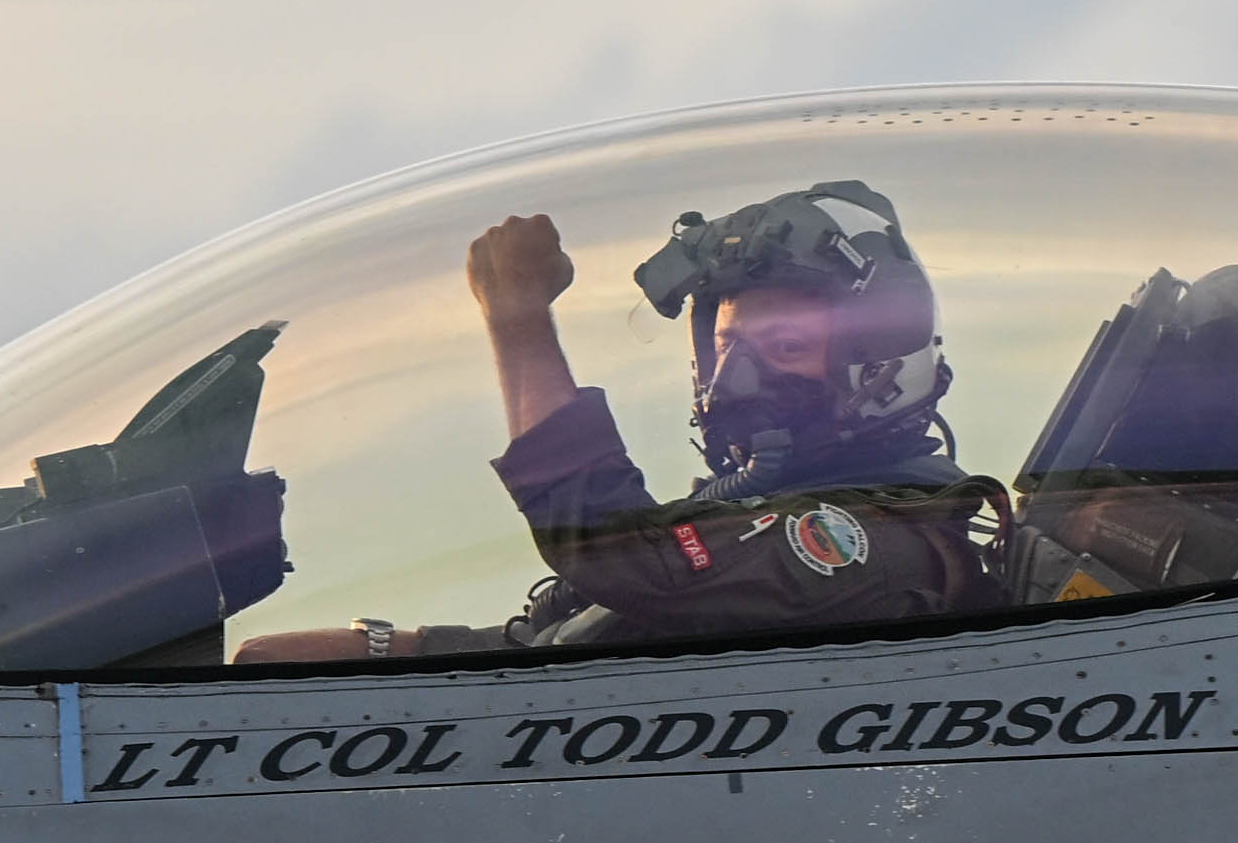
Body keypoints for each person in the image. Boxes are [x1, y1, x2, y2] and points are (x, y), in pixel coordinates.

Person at [233, 181, 1002, 661]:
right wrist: (389, 650)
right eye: (728, 345)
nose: (736, 379)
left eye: (786, 347)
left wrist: (517, 316)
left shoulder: (879, 548)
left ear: (877, 369)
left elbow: (632, 561)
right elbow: (588, 647)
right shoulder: (755, 517)